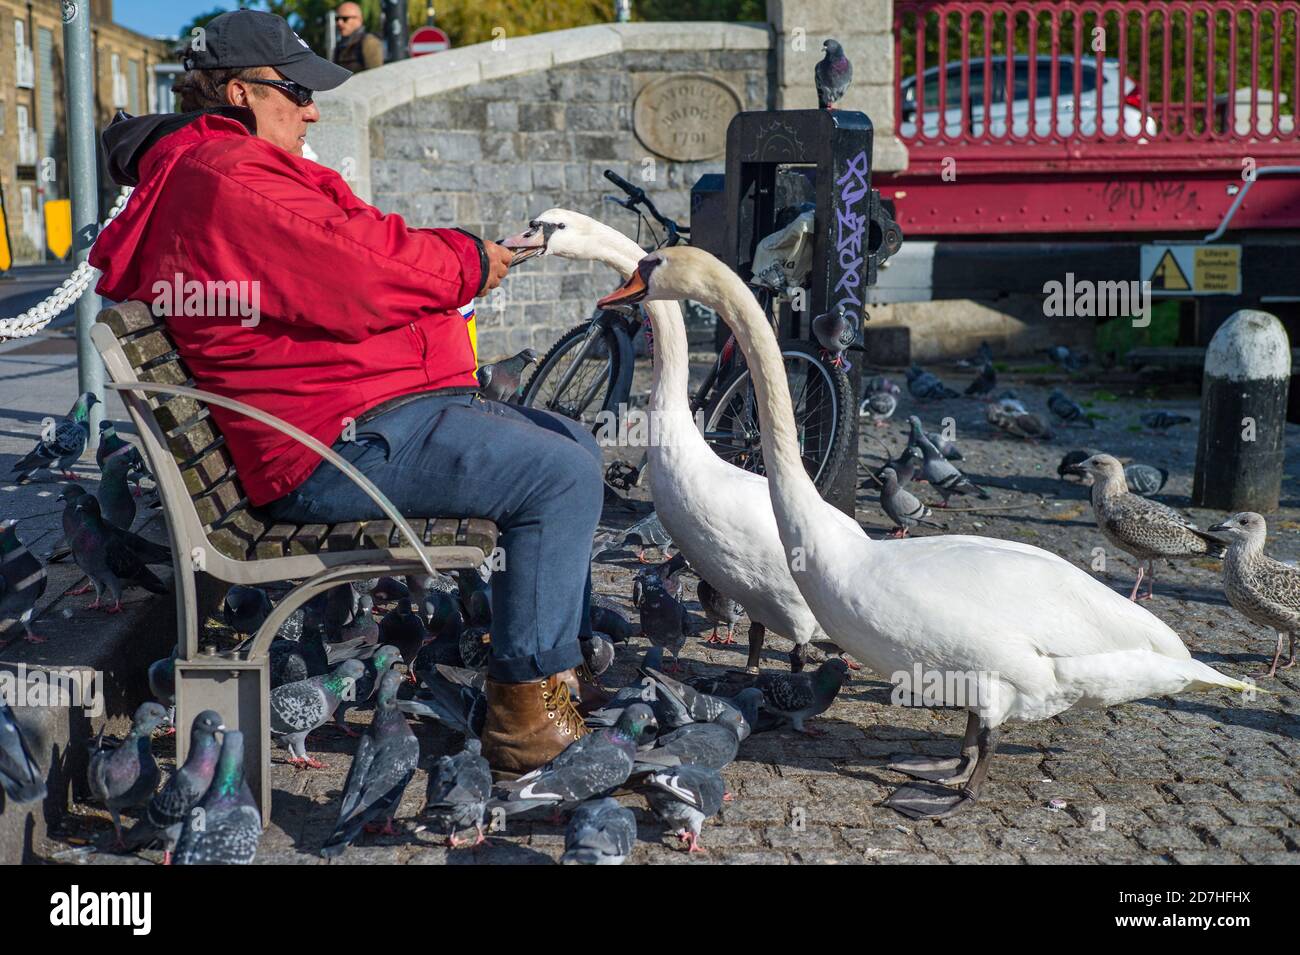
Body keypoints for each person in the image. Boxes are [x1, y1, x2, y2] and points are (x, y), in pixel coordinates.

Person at [89, 10, 602, 778]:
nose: (312, 109)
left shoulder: (225, 168)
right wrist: (464, 262)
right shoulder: (230, 178)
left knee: (575, 443)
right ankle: (530, 719)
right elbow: (357, 271)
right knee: (559, 474)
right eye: (295, 91)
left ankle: (556, 672)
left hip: (350, 419)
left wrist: (454, 258)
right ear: (238, 92)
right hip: (334, 445)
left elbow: (353, 250)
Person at [332, 2, 384, 73]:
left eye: (345, 19)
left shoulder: (369, 42)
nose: (339, 23)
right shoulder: (339, 46)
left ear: (359, 19)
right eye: (337, 19)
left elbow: (375, 75)